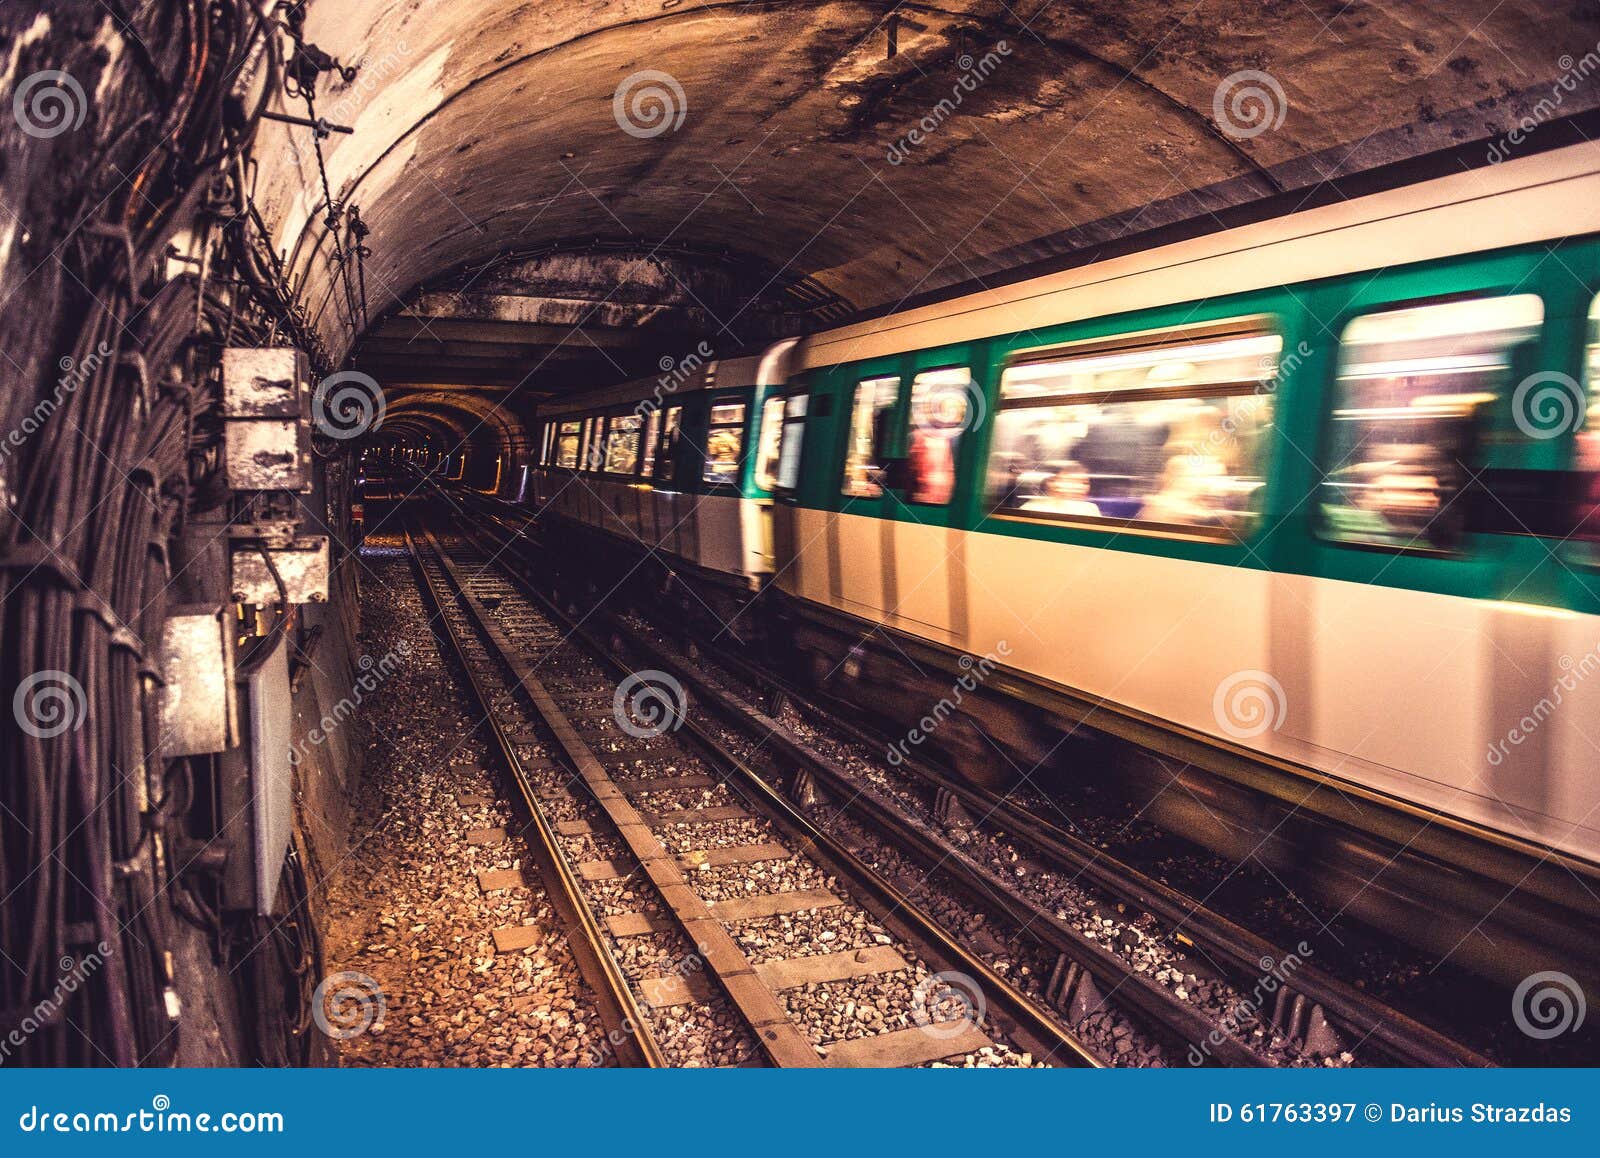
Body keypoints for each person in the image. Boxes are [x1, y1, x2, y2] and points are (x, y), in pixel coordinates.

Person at [1019, 461, 1100, 517]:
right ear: (1051, 483)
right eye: (1072, 481)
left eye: (1085, 483)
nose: (1081, 487)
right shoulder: (1032, 509)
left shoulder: (1090, 509)